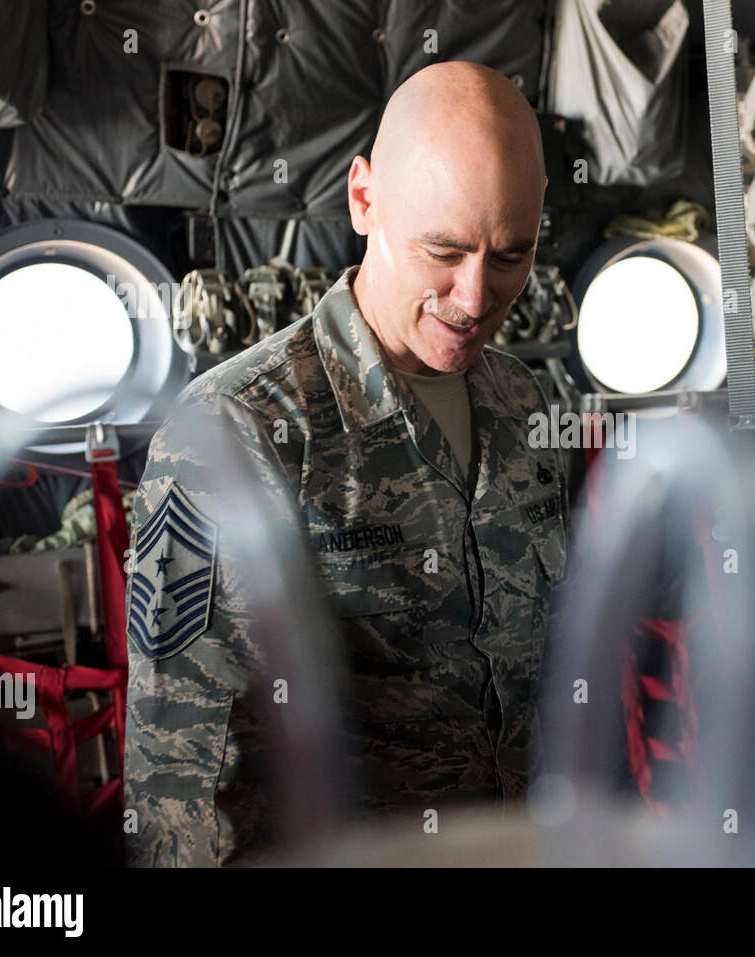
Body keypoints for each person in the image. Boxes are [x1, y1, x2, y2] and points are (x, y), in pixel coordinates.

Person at [123, 61, 568, 866]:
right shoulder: (237, 429)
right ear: (364, 199)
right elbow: (182, 782)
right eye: (445, 250)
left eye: (511, 254)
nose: (474, 297)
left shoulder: (522, 402)